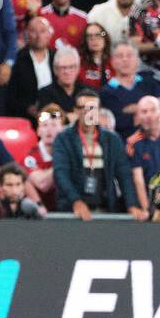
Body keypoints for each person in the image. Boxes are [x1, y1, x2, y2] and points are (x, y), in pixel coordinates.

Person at [52, 87, 144, 220]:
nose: (87, 112)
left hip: (106, 208)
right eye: (83, 107)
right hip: (72, 211)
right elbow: (61, 174)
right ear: (76, 111)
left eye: (92, 108)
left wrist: (132, 205)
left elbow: (124, 175)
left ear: (99, 111)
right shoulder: (63, 138)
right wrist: (76, 201)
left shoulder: (112, 139)